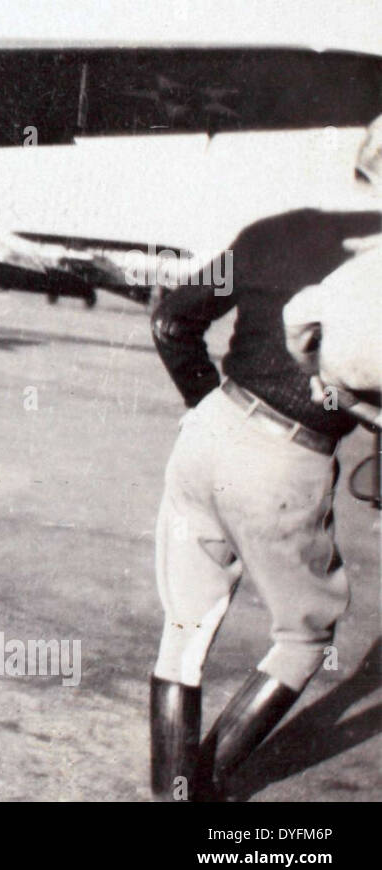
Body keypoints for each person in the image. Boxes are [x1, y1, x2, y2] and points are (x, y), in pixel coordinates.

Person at [147, 125, 382, 802]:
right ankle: (206, 792)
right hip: (290, 455)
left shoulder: (269, 231)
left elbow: (170, 322)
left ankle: (172, 797)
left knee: (184, 630)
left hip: (210, 429)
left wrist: (203, 404)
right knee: (305, 638)